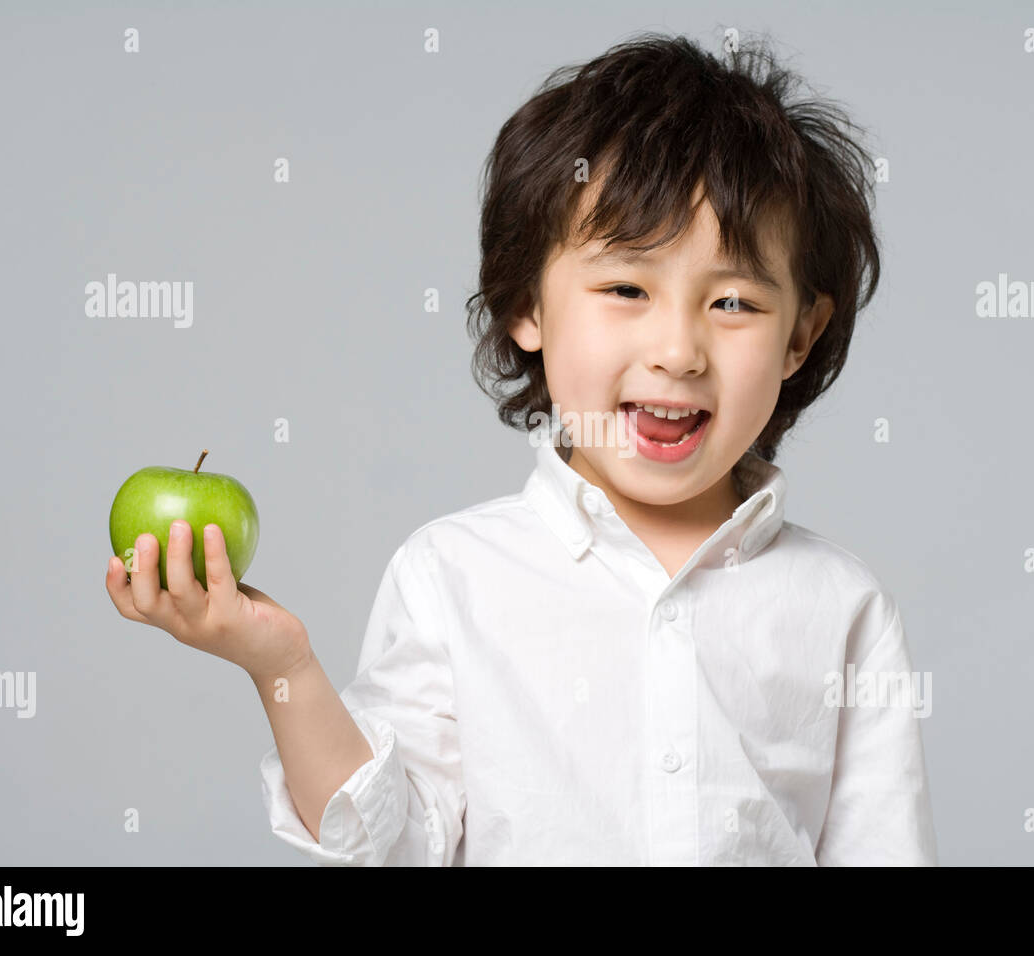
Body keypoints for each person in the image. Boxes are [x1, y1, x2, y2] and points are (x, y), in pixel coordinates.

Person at [105, 31, 938, 866]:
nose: (679, 351)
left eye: (732, 303)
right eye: (626, 289)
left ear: (802, 335)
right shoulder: (451, 575)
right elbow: (384, 837)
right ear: (524, 304)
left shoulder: (844, 609)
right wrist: (279, 664)